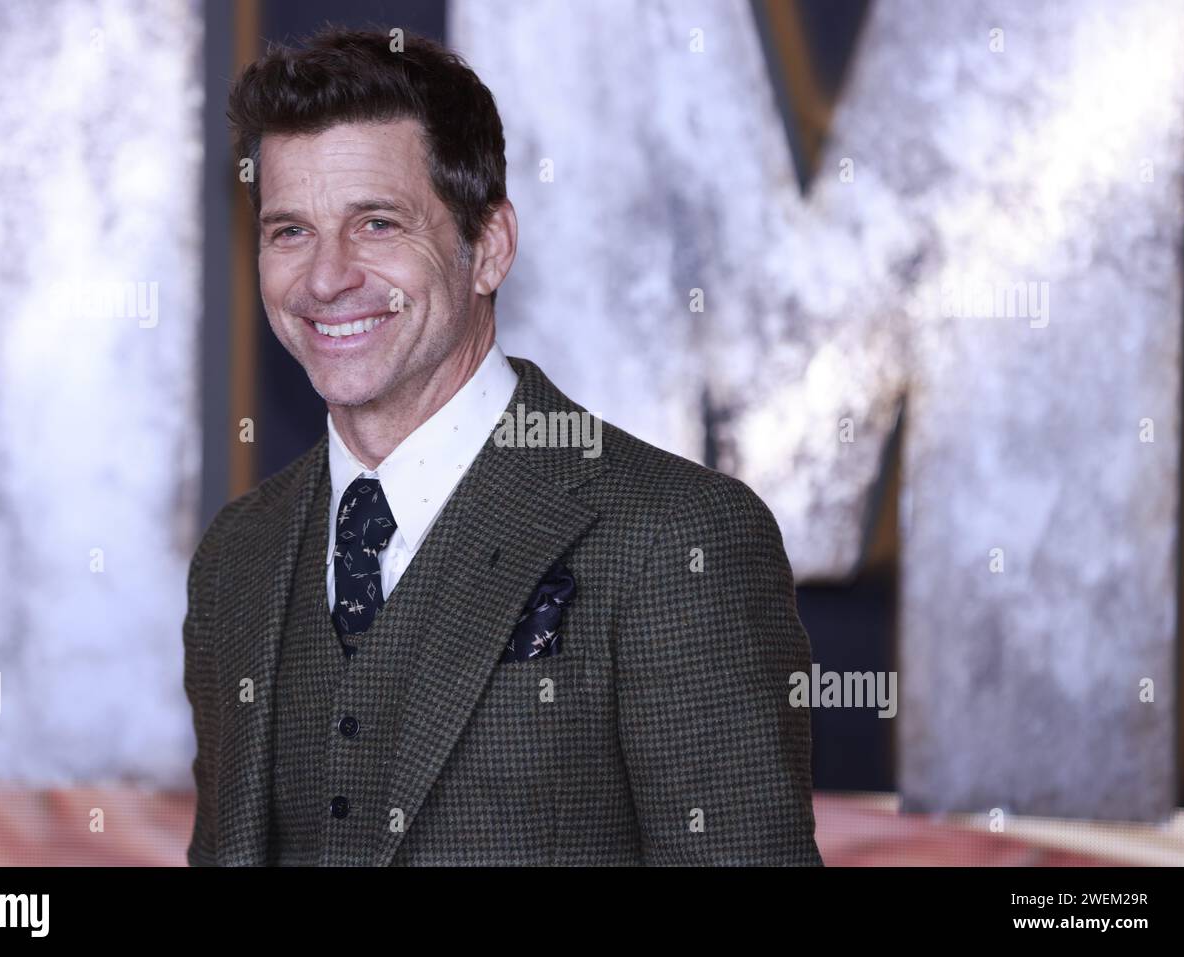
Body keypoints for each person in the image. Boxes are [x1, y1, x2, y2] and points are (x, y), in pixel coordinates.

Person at [183, 26, 822, 866]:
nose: (326, 278)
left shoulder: (676, 537)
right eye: (290, 231)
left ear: (488, 247)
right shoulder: (239, 553)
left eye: (377, 223)